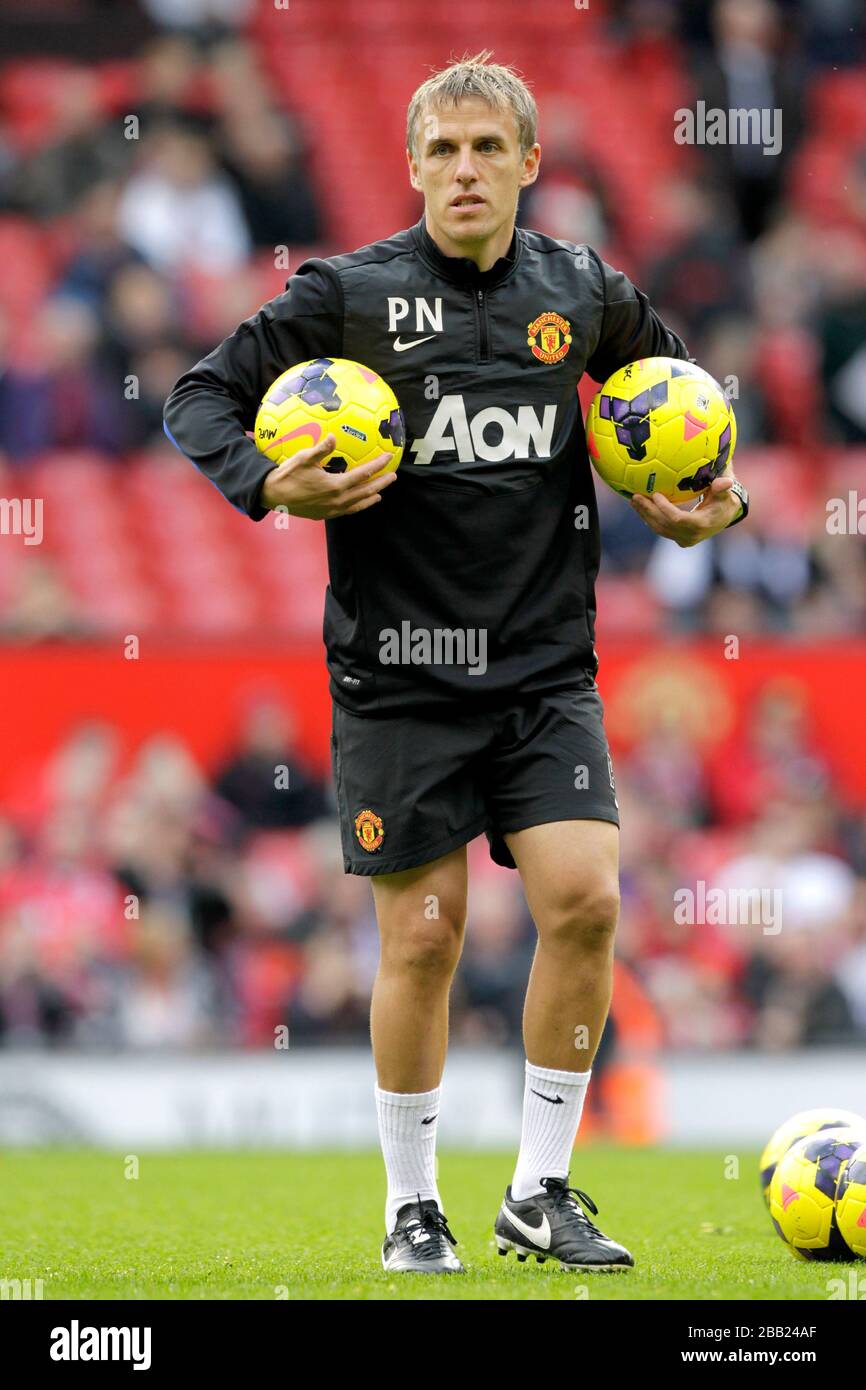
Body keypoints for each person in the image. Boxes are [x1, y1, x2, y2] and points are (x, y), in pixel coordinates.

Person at [164, 52, 747, 1275]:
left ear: (530, 163)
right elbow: (200, 397)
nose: (465, 170)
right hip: (400, 675)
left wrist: (706, 503)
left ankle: (539, 1189)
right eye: (442, 150)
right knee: (424, 936)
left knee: (585, 900)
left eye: (489, 148)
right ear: (412, 164)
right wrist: (270, 480)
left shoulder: (583, 292)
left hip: (544, 671)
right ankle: (410, 1204)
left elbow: (676, 407)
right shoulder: (346, 295)